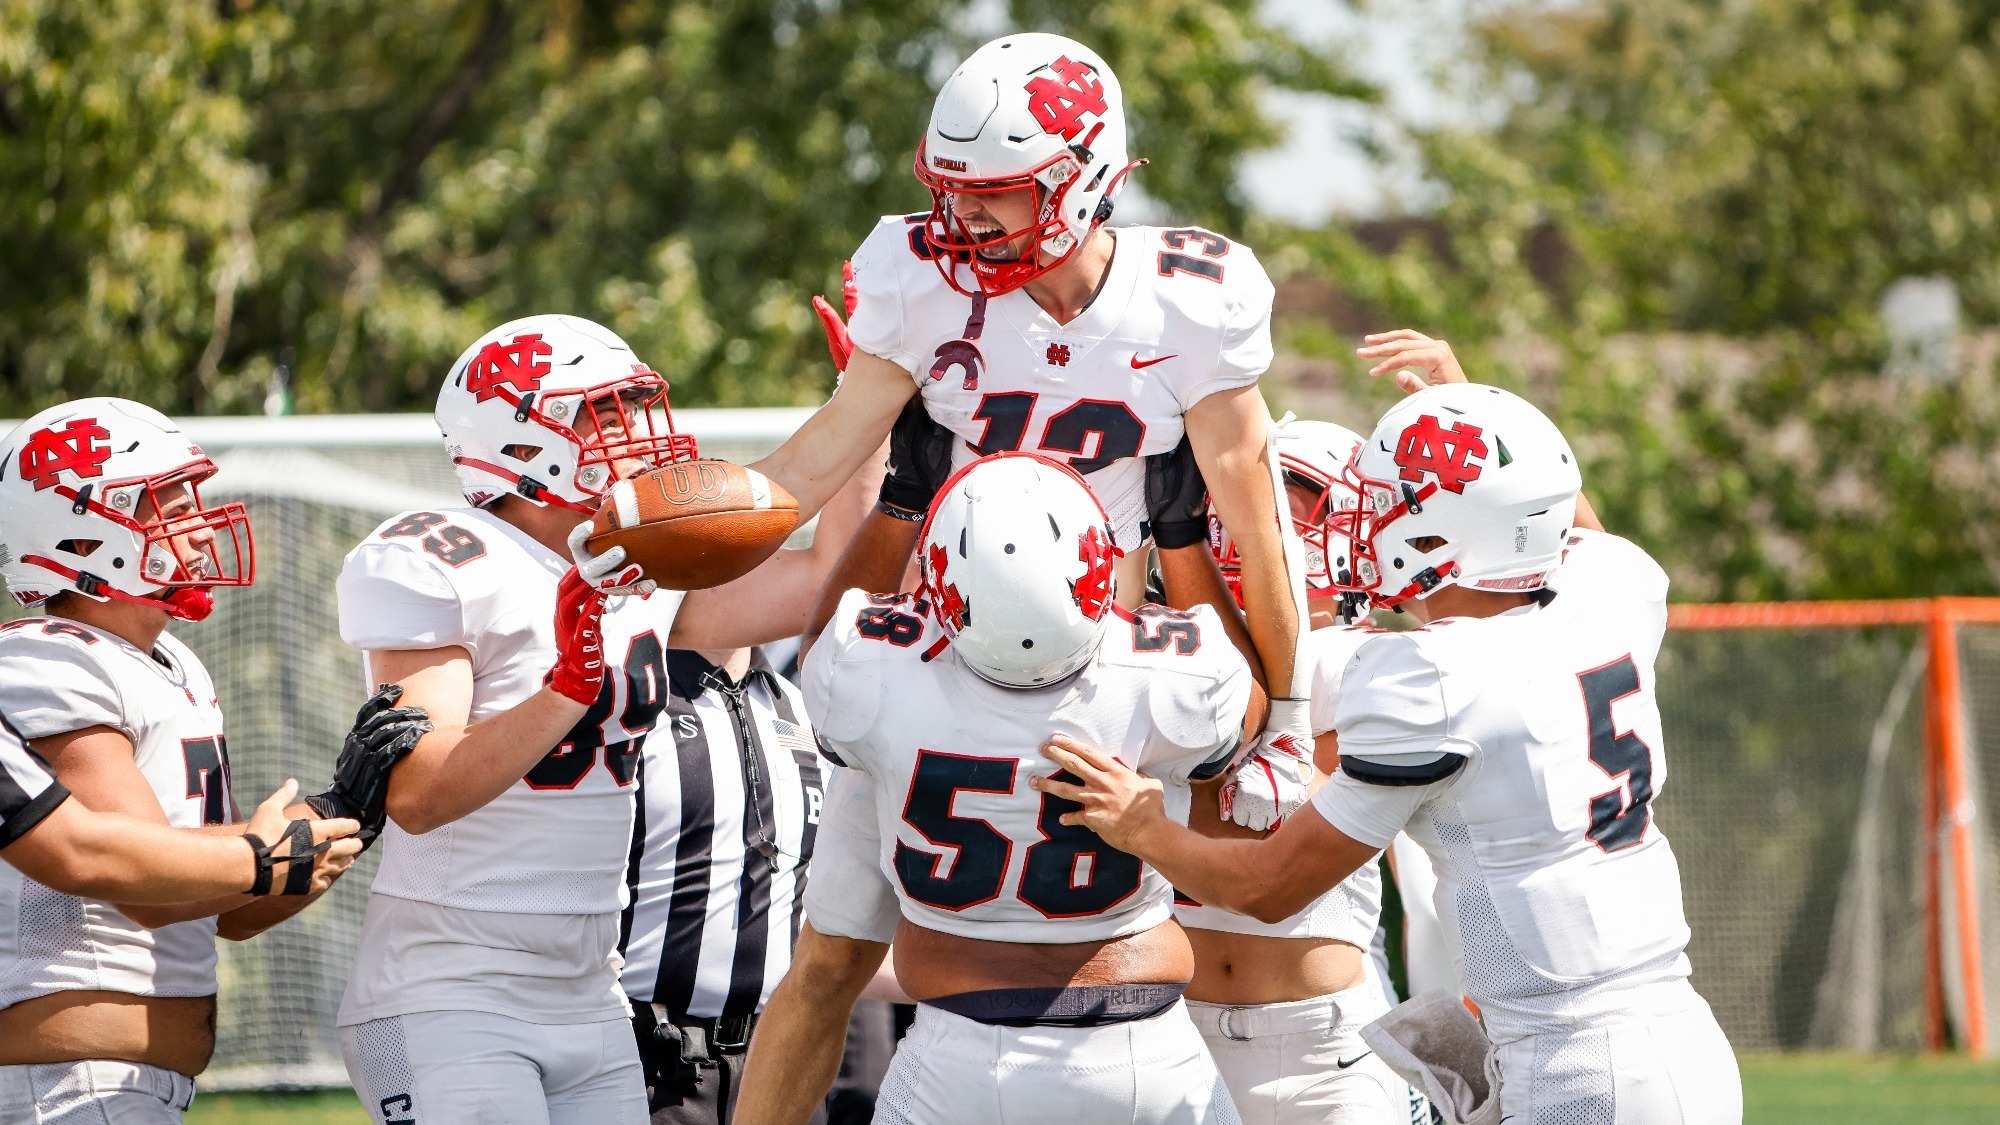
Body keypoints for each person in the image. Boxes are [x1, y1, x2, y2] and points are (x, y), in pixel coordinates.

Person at [1039, 382, 1744, 1125]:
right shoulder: (1609, 590)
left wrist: (1143, 828)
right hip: (1676, 1032)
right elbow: (1564, 523)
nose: (1368, 520)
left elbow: (1271, 886)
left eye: (1390, 503)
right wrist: (1475, 414)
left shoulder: (1430, 679)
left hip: (1575, 1062)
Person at [750, 30, 1318, 838]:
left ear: (1078, 180)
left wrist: (1290, 719)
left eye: (993, 190)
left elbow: (1262, 529)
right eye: (949, 188)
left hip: (1112, 674)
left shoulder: (1190, 302)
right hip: (938, 657)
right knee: (837, 947)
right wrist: (663, 526)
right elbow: (804, 468)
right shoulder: (916, 279)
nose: (959, 214)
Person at [336, 314, 876, 1125]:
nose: (638, 432)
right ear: (522, 442)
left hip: (589, 991)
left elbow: (829, 589)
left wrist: (868, 399)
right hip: (454, 988)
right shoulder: (441, 555)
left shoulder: (633, 569)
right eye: (607, 412)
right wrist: (564, 689)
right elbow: (419, 793)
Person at [798, 452, 1258, 1124]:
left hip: (957, 1057)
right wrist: (1176, 531)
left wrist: (900, 500)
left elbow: (819, 647)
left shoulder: (870, 668)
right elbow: (1247, 722)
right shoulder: (1168, 674)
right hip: (1143, 1052)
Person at [0, 398, 398, 1124]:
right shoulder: (47, 656)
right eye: (166, 502)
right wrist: (270, 847)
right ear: (83, 535)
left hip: (124, 1086)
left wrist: (347, 811)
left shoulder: (169, 663)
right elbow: (148, 886)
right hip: (63, 1085)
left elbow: (223, 907)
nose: (197, 520)